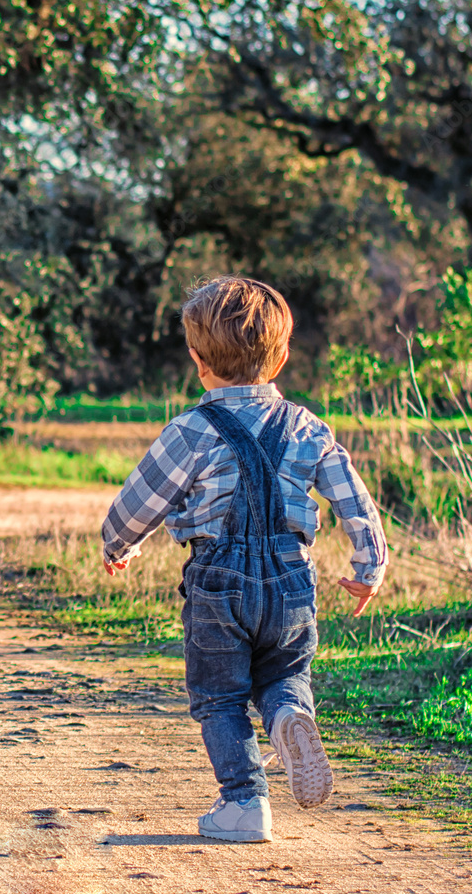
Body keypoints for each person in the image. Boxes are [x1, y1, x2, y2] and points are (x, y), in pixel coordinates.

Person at [101, 276, 388, 843]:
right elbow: (356, 501)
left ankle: (245, 802)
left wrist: (119, 545)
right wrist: (368, 566)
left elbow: (138, 502)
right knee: (284, 674)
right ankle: (287, 719)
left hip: (217, 582)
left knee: (220, 696)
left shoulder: (190, 430)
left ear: (197, 360)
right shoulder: (308, 427)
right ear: (280, 356)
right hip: (292, 580)